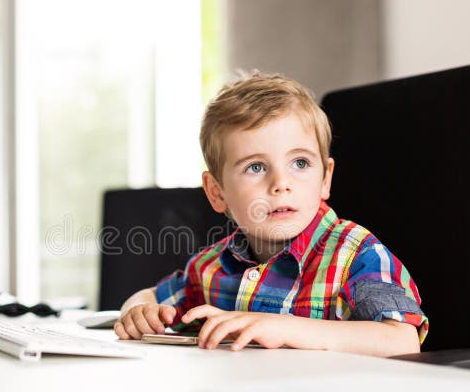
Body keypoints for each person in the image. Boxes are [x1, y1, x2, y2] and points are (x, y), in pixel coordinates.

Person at [113, 71, 428, 356]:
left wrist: (285, 327)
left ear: (325, 178)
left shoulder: (357, 255)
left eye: (300, 163)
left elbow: (401, 340)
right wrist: (139, 310)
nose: (281, 184)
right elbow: (151, 296)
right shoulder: (210, 269)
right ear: (217, 192)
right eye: (256, 167)